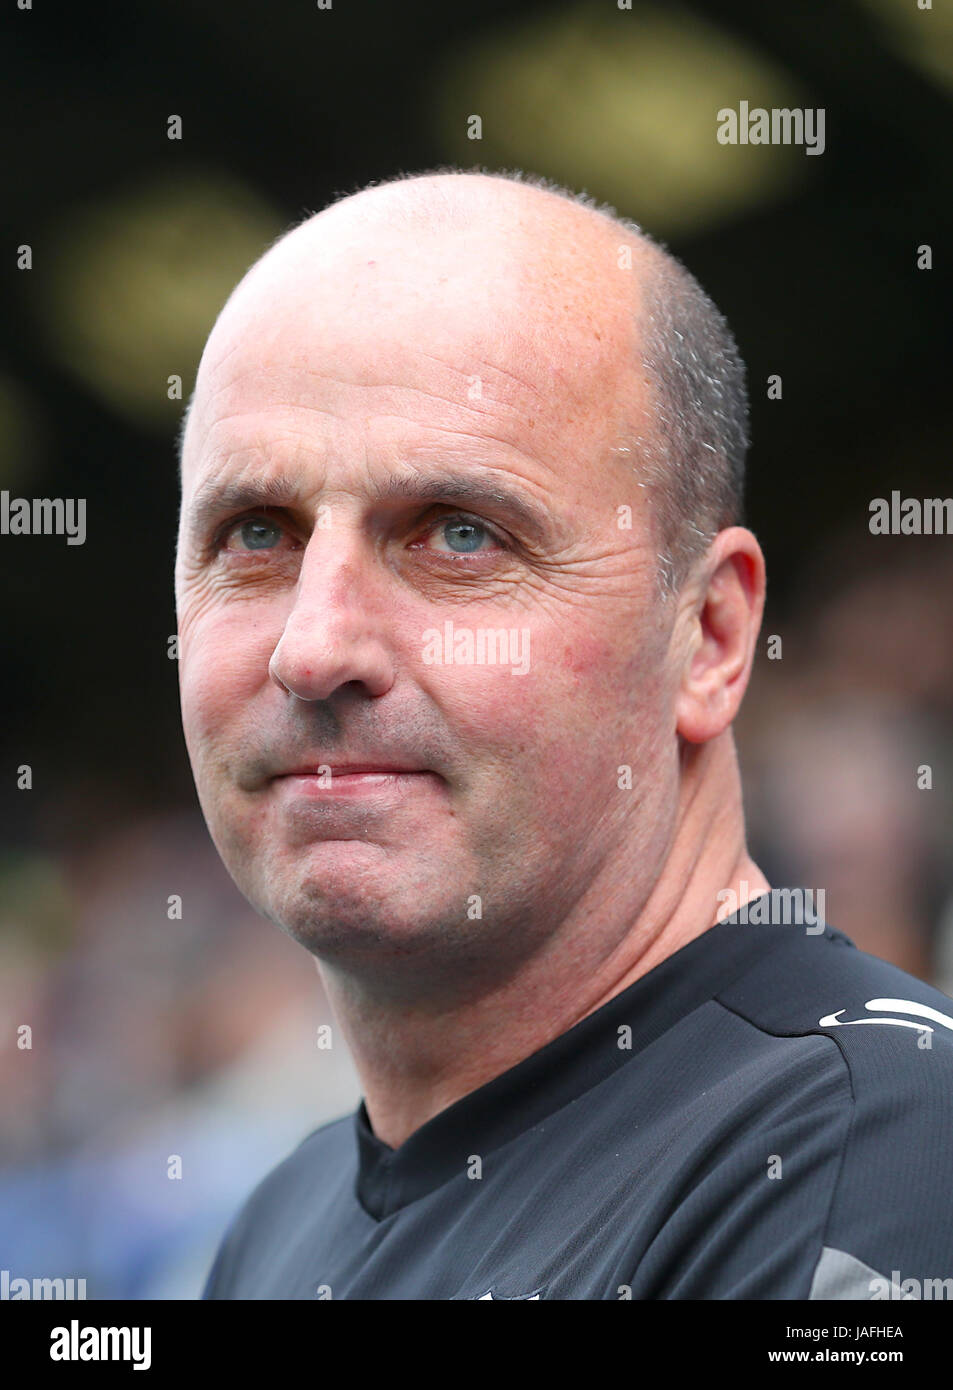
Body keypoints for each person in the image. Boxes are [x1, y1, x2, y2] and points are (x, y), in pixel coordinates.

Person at [175, 168, 953, 1300]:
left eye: (457, 535)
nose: (313, 646)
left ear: (708, 636)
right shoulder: (281, 1229)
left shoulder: (872, 1158)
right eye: (256, 531)